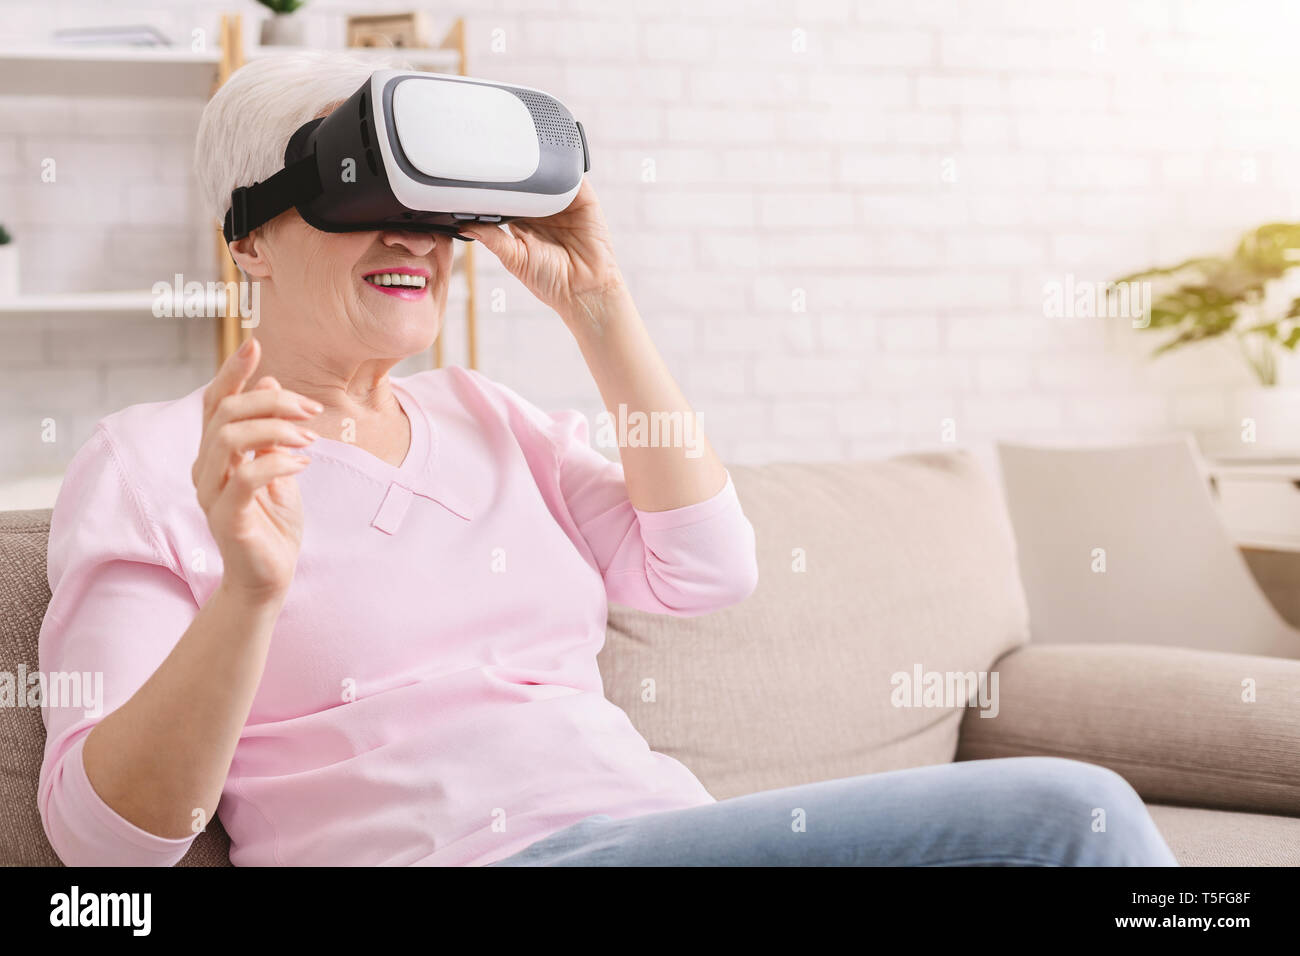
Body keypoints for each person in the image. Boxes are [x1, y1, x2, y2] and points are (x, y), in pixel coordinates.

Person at [36, 52, 1177, 867]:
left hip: (655, 830)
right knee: (1068, 816)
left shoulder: (494, 417)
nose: (411, 238)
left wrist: (602, 310)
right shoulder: (152, 464)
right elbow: (103, 843)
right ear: (248, 235)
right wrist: (250, 594)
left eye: (432, 209)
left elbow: (706, 568)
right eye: (363, 195)